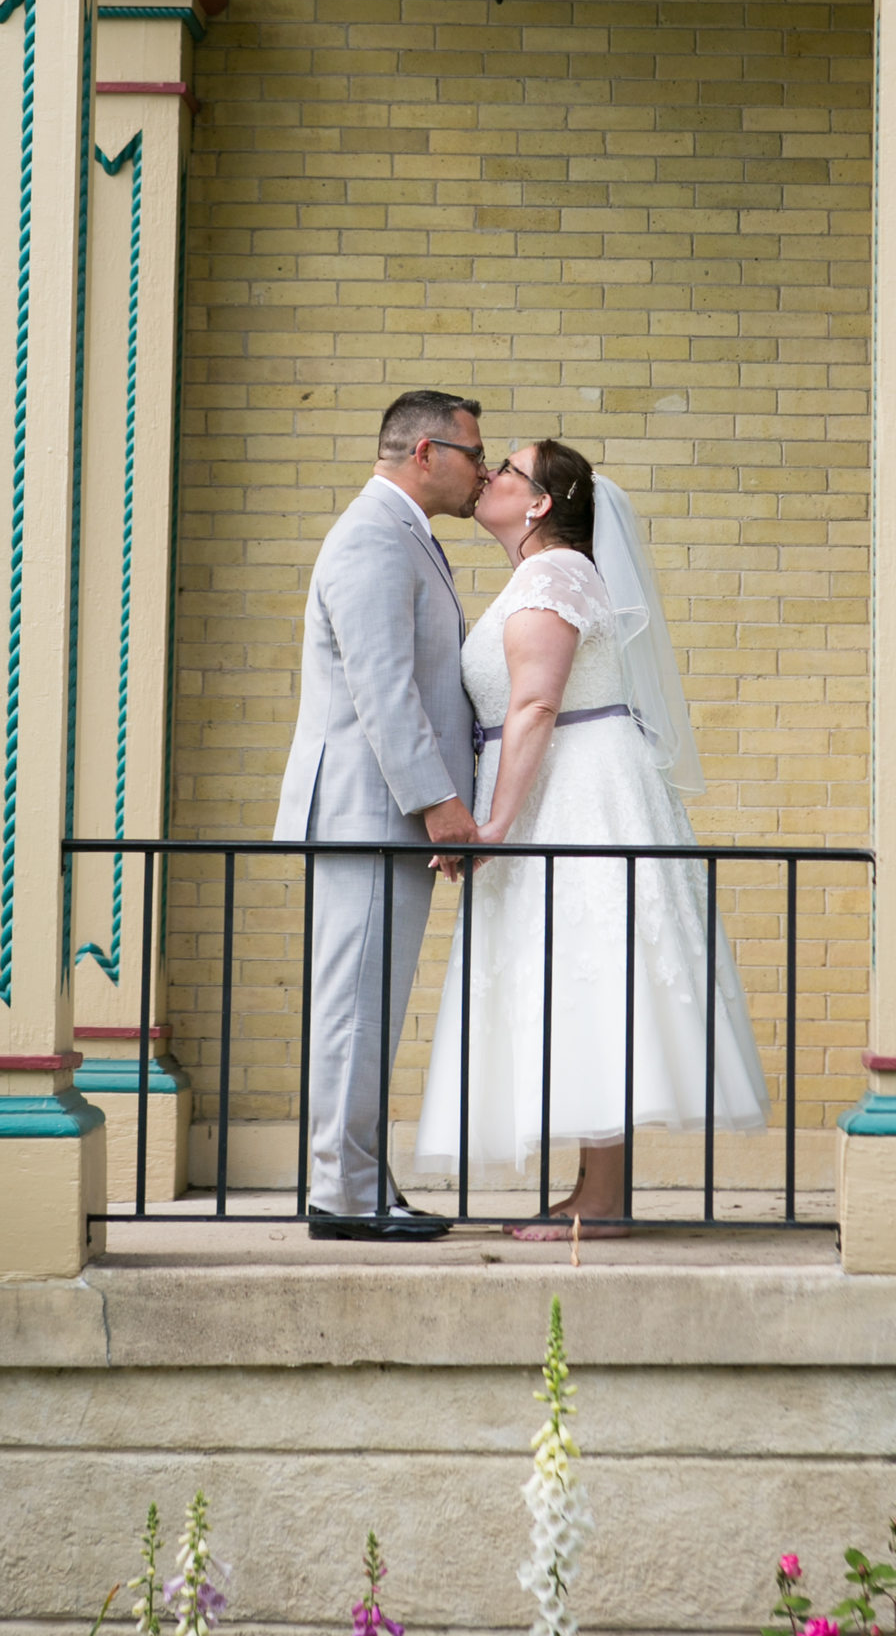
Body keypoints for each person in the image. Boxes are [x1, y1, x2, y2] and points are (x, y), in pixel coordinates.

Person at [412, 440, 768, 1236]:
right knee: (574, 976)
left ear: (538, 502)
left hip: (574, 794)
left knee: (592, 972)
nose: (489, 476)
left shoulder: (555, 573)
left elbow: (535, 703)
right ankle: (593, 1191)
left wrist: (494, 825)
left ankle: (602, 1201)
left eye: (506, 468)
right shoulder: (543, 575)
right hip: (556, 784)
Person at [274, 389, 485, 1239]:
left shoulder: (404, 536)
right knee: (354, 1005)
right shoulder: (370, 534)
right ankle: (343, 1195)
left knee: (369, 1005)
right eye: (474, 452)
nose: (482, 468)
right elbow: (381, 688)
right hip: (369, 812)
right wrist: (438, 803)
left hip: (384, 813)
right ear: (426, 453)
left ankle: (359, 1178)